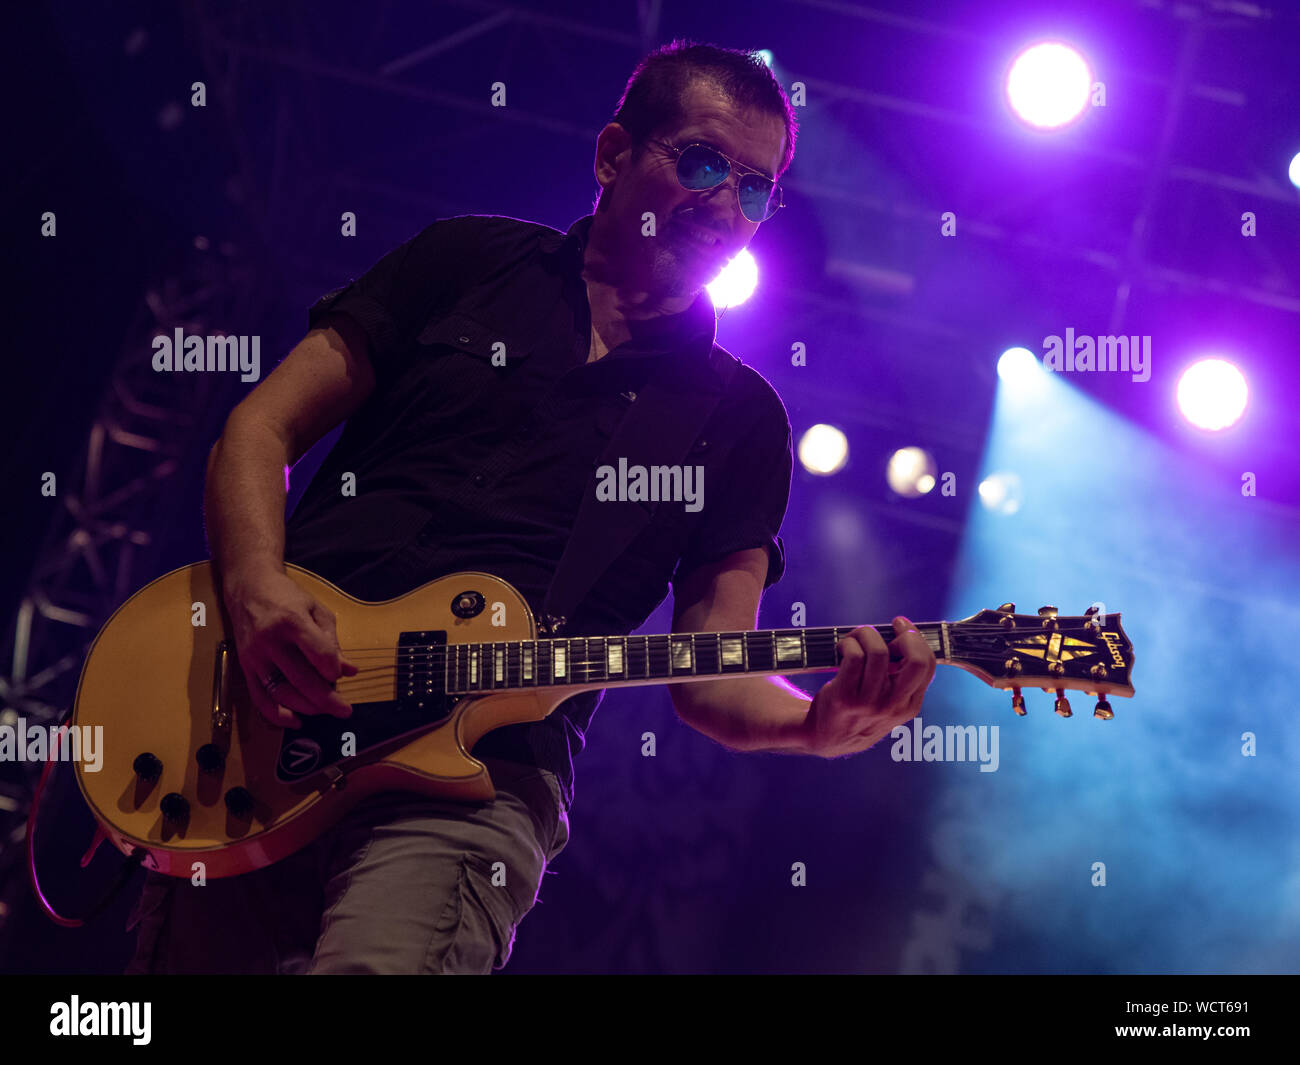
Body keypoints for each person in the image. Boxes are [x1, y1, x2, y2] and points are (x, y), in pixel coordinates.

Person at [124, 39, 936, 975]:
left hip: (476, 773)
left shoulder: (742, 420)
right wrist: (258, 584)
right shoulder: (466, 259)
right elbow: (258, 429)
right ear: (612, 155)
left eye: (756, 188)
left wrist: (815, 725)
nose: (727, 206)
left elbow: (711, 669)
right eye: (704, 163)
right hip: (264, 716)